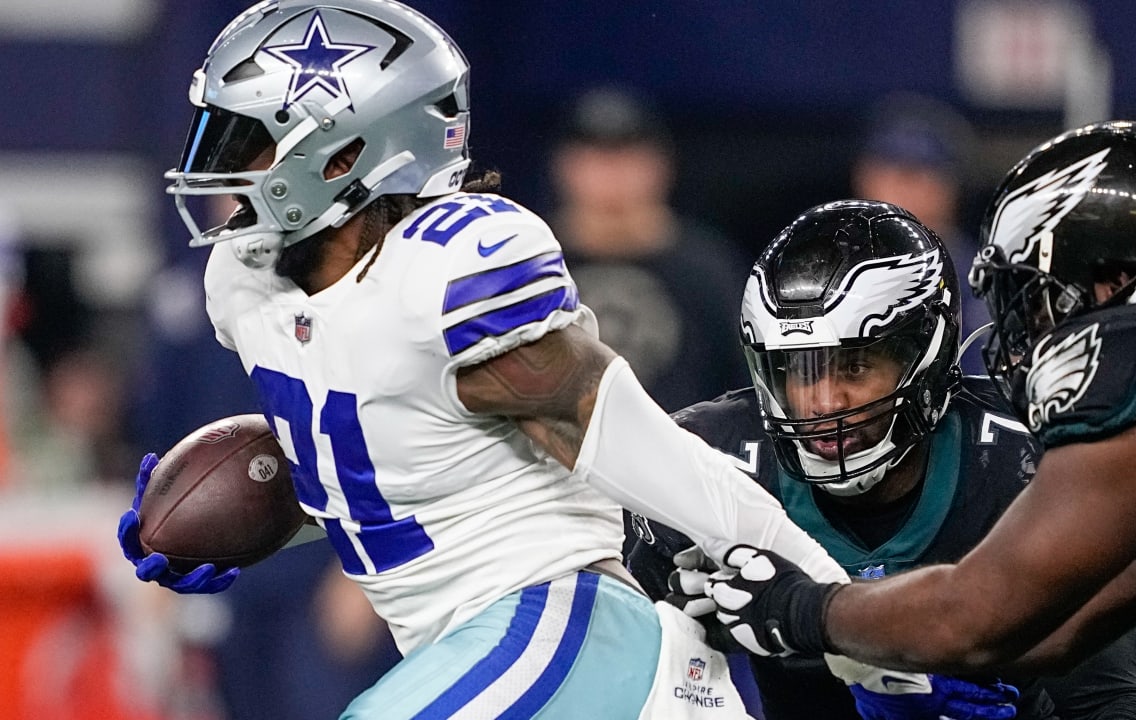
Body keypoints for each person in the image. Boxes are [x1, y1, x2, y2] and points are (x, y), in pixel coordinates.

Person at [110, 1, 863, 718]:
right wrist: (255, 519)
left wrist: (841, 611)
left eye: (250, 139)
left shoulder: (443, 276)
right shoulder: (247, 285)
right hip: (479, 656)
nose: (224, 161)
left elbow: (666, 463)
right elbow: (392, 466)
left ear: (342, 153)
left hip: (570, 626)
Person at [697, 122, 1136, 683]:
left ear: (1112, 283)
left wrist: (798, 607)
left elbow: (971, 619)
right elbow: (1052, 626)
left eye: (1035, 295)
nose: (1026, 329)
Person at [627, 199, 1136, 718]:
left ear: (922, 357)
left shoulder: (1025, 461)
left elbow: (1116, 704)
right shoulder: (705, 462)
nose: (822, 402)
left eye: (855, 367)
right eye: (798, 369)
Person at [549, 86, 750, 411]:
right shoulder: (529, 265)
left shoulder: (705, 269)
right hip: (549, 456)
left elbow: (745, 389)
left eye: (627, 159)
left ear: (660, 167)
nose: (612, 177)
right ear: (565, 168)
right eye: (596, 160)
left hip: (683, 452)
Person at [850, 93, 988, 374]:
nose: (905, 189)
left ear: (952, 186)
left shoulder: (986, 280)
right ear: (863, 176)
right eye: (892, 171)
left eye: (921, 173)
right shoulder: (828, 277)